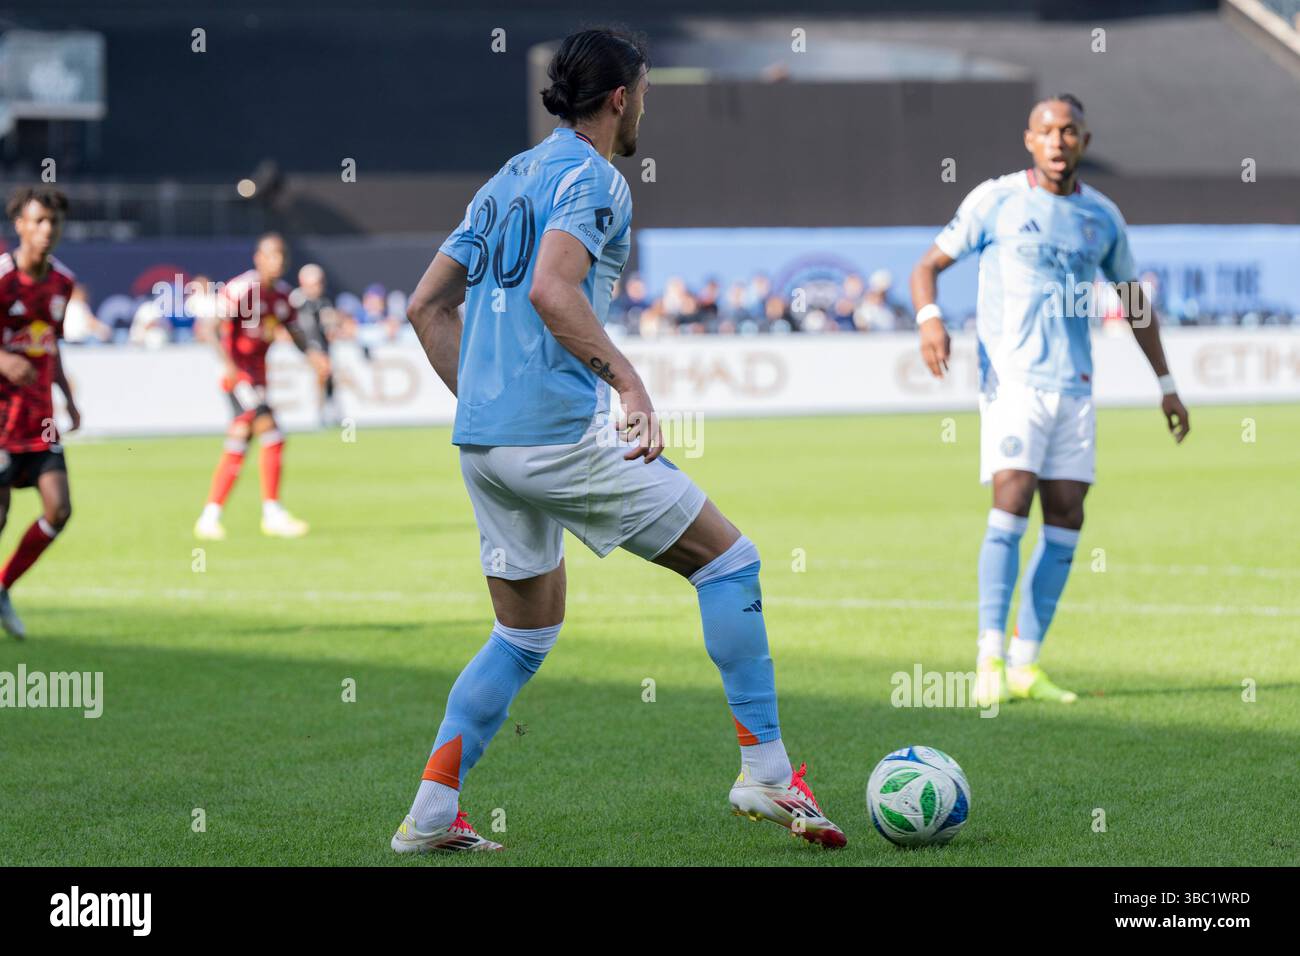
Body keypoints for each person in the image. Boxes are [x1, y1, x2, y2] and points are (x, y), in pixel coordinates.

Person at [395, 27, 845, 854]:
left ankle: (430, 813)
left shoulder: (508, 178)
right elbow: (551, 288)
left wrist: (491, 407)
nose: (645, 110)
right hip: (555, 437)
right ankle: (768, 772)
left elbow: (425, 307)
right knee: (728, 562)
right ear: (620, 98)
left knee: (523, 633)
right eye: (645, 95)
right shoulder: (593, 178)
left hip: (487, 448)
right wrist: (629, 384)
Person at [909, 94, 1190, 707]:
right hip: (1011, 380)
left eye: (1069, 131)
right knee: (1011, 496)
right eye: (1046, 131)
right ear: (1029, 140)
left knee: (1067, 516)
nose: (1058, 141)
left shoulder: (1102, 218)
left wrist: (1167, 385)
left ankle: (1025, 664)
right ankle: (987, 655)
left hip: (1076, 388)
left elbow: (1134, 303)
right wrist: (930, 320)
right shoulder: (997, 199)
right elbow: (927, 265)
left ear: (1085, 139)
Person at [193, 233, 328, 540]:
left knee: (241, 438)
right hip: (237, 375)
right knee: (273, 433)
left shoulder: (281, 296)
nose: (277, 262)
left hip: (258, 377)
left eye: (281, 256)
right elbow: (208, 328)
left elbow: (293, 331)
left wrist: (313, 355)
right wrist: (228, 365)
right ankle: (272, 513)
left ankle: (210, 516)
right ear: (258, 258)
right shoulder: (241, 290)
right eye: (271, 256)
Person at [0, 187, 81, 639]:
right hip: (0, 420)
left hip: (41, 418)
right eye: (38, 222)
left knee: (60, 508)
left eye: (53, 223)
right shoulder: (2, 279)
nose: (47, 230)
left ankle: (2, 586)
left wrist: (68, 397)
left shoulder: (62, 284)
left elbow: (52, 344)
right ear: (20, 225)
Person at [289, 263, 340, 426]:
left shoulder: (323, 302)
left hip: (321, 347)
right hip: (303, 348)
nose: (319, 287)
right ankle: (318, 412)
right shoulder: (295, 301)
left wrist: (332, 327)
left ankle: (326, 411)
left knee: (327, 374)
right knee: (320, 373)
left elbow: (329, 323)